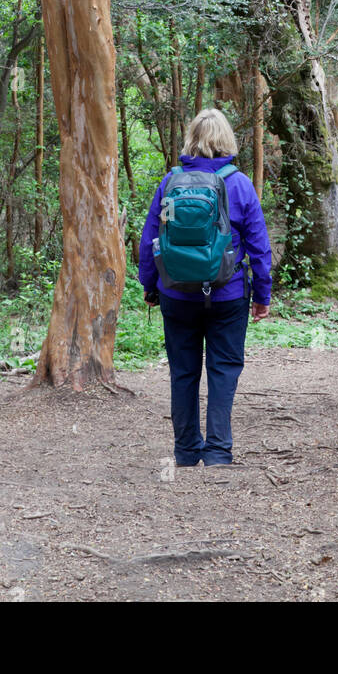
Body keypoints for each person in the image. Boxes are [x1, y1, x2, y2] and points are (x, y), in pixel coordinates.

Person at [138, 108, 272, 468]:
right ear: (226, 140)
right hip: (227, 294)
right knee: (223, 369)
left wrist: (151, 285)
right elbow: (259, 246)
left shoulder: (171, 183)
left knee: (183, 371)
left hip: (177, 295)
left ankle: (185, 451)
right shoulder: (240, 184)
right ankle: (217, 452)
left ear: (192, 139)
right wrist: (262, 295)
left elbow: (152, 238)